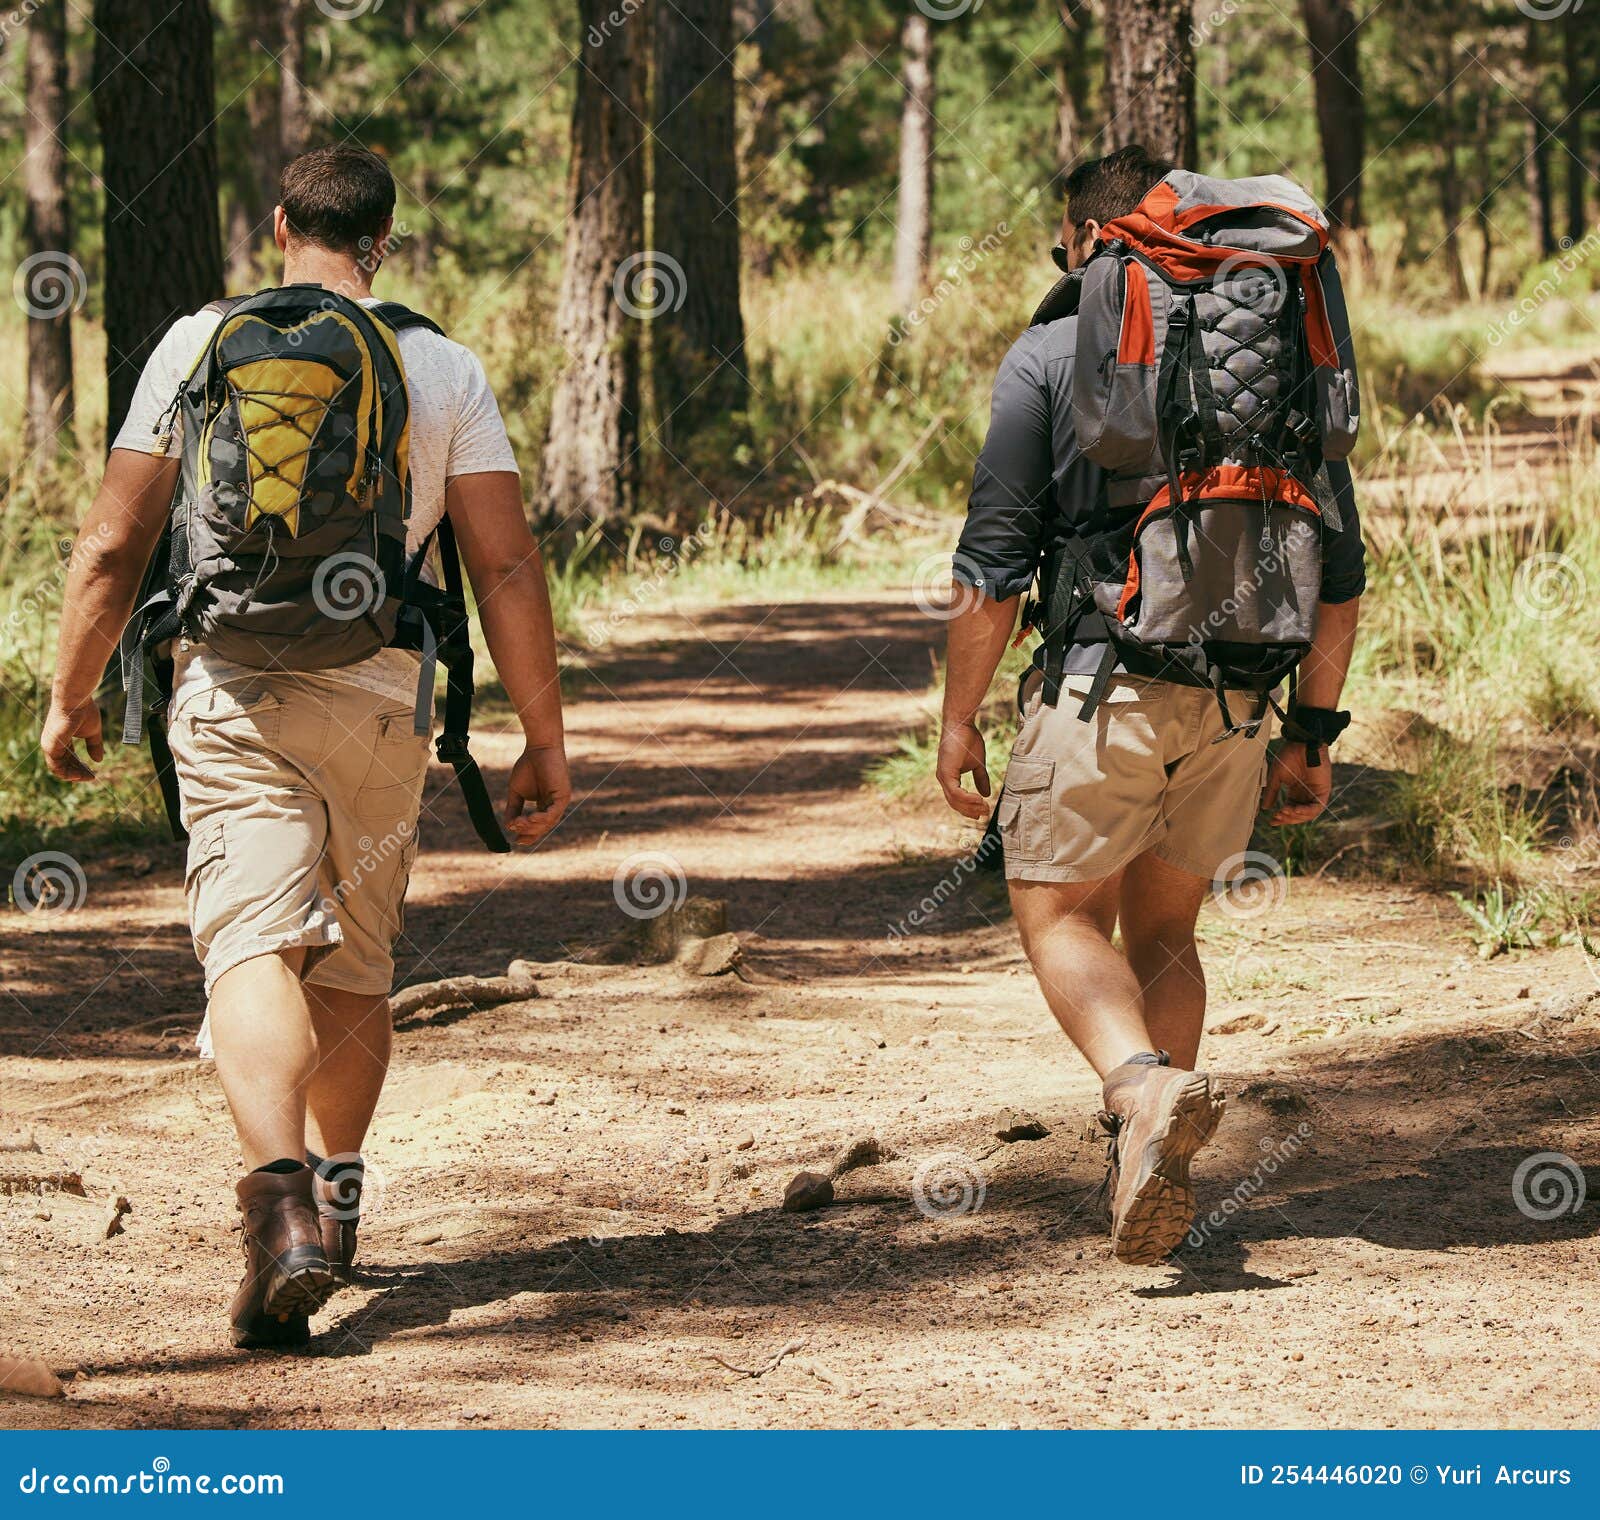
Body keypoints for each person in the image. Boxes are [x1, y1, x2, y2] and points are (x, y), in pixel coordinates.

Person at [41, 145, 572, 1347]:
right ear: (383, 241)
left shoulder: (198, 342)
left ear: (280, 226)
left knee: (250, 942)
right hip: (383, 688)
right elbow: (502, 560)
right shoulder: (440, 363)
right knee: (354, 965)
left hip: (234, 684)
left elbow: (114, 540)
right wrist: (542, 733)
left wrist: (71, 694)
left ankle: (275, 1208)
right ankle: (332, 1202)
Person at [938, 145, 1365, 1265]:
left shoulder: (1048, 352)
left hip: (1101, 687)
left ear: (1090, 241)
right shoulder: (1280, 358)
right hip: (1238, 702)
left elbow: (991, 564)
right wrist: (1313, 734)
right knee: (1167, 928)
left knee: (1059, 914)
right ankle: (1149, 1154)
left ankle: (1139, 1090)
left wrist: (958, 716)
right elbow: (1342, 579)